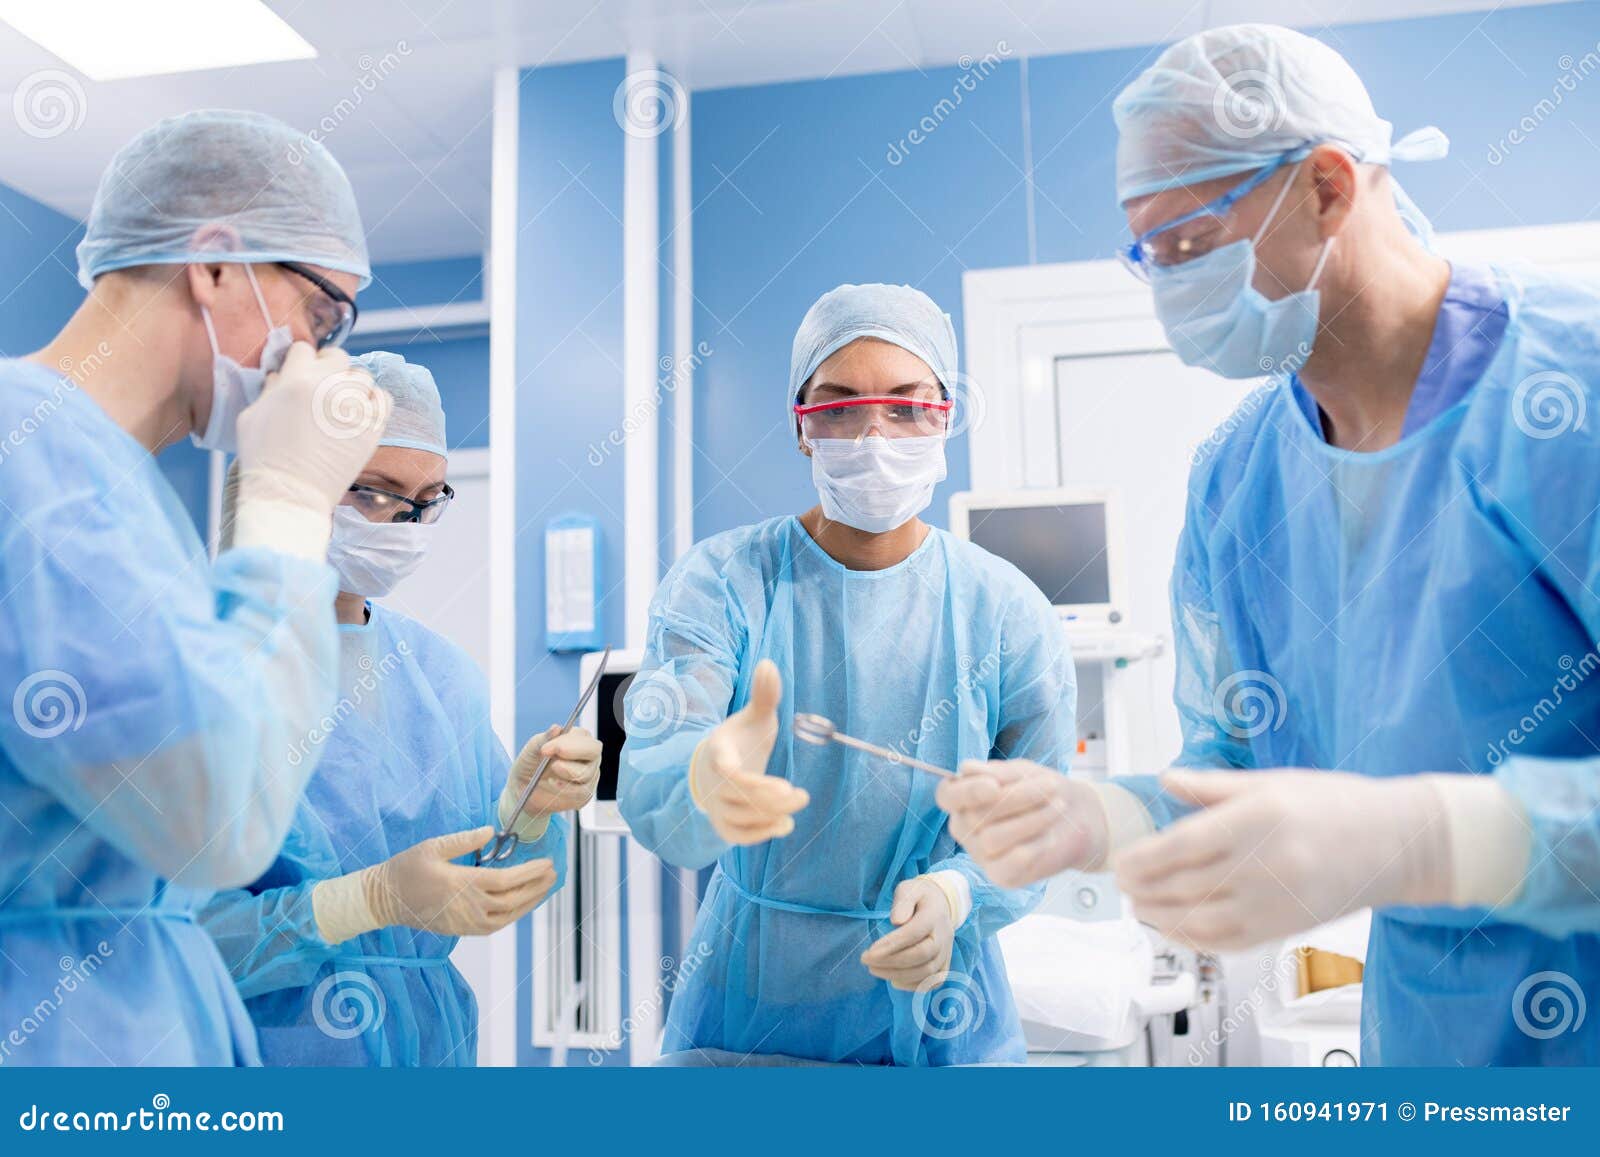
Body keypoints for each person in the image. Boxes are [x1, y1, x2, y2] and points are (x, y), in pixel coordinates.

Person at [938, 23, 1600, 1066]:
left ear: (1329, 187)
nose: (1166, 287)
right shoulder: (1241, 478)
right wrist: (1093, 817)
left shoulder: (1570, 397)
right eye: (1145, 253)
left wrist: (1429, 836)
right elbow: (1238, 764)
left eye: (1189, 242)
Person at [0, 110, 390, 1066]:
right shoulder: (38, 472)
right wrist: (291, 500)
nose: (320, 355)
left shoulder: (104, 478)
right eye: (323, 313)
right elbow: (215, 816)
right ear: (215, 264)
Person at [619, 284, 1076, 1066]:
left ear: (947, 416)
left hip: (944, 1011)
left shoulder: (1006, 611)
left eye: (905, 406)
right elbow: (658, 779)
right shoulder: (722, 582)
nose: (872, 435)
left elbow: (1039, 818)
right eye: (837, 407)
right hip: (751, 1009)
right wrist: (704, 772)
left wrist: (956, 892)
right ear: (801, 428)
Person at [200, 352, 601, 1066]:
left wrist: (526, 807)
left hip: (431, 1049)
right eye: (376, 493)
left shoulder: (439, 675)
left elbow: (487, 872)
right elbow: (160, 938)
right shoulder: (206, 662)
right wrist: (367, 901)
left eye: (426, 500)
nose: (404, 523)